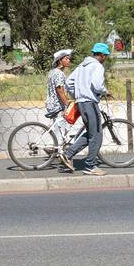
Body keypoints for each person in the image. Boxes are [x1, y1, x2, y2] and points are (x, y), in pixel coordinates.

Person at [63, 43, 112, 175]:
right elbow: (97, 85)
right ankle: (90, 166)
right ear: (101, 55)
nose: (105, 58)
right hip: (90, 103)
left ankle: (68, 155)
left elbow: (68, 83)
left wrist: (77, 94)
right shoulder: (97, 66)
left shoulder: (81, 66)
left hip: (81, 103)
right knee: (97, 135)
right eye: (105, 56)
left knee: (91, 133)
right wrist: (105, 92)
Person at [45, 49, 77, 171]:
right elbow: (59, 89)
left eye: (69, 59)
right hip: (57, 105)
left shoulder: (52, 72)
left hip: (52, 104)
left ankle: (56, 149)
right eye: (66, 59)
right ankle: (61, 155)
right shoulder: (59, 73)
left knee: (61, 129)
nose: (69, 61)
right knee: (63, 129)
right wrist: (67, 103)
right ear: (60, 60)